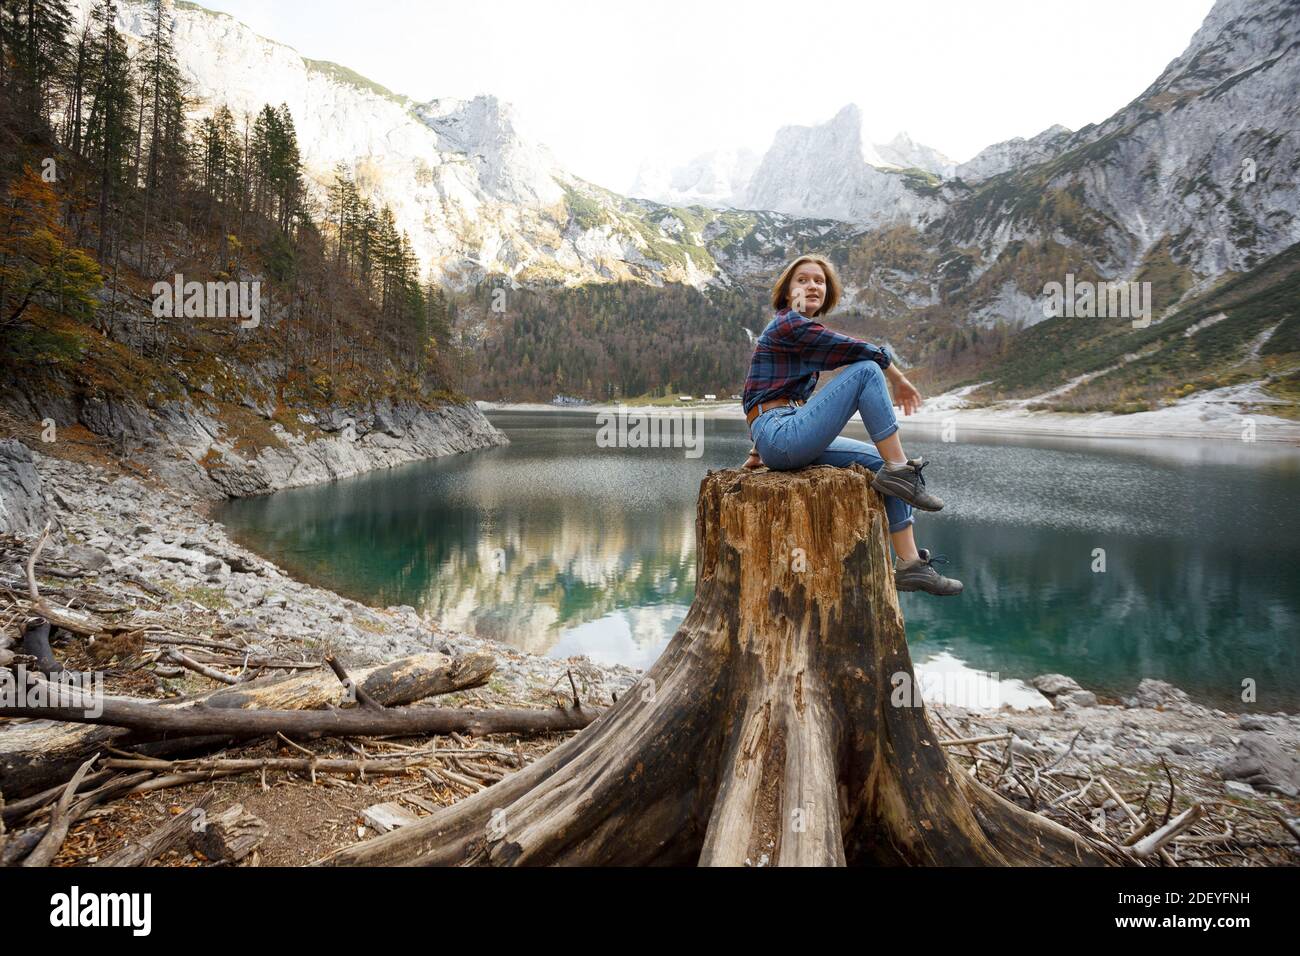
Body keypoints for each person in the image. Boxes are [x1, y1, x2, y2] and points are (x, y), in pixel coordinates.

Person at [740, 254, 962, 596]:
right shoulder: (788, 324)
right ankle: (901, 469)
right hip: (782, 434)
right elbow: (859, 350)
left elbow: (762, 390)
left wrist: (757, 451)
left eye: (820, 281)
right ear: (786, 293)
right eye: (802, 280)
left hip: (783, 433)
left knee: (878, 463)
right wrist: (898, 377)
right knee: (867, 370)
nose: (813, 285)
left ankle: (909, 564)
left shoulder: (799, 337)